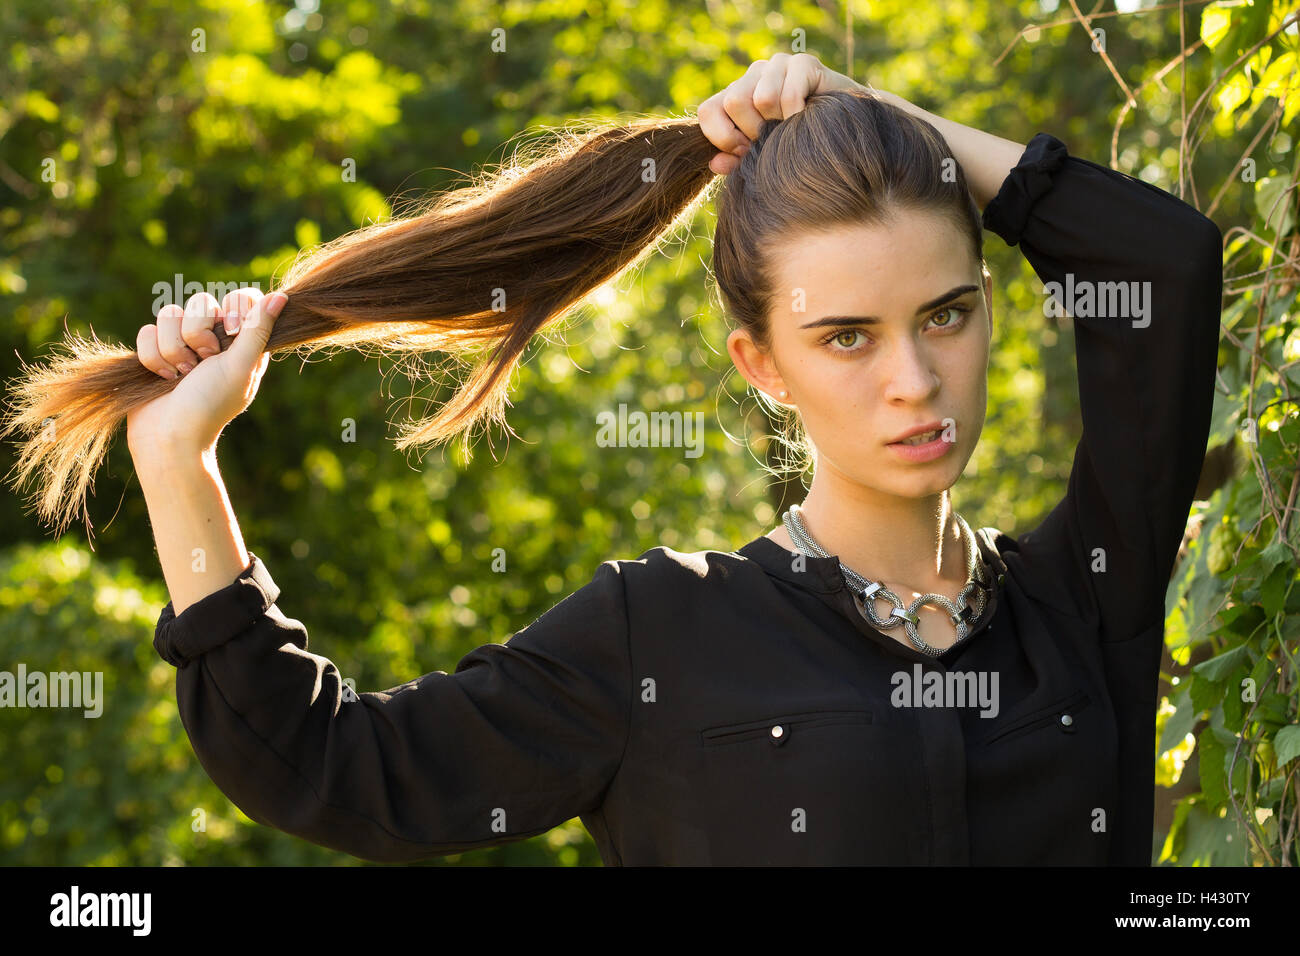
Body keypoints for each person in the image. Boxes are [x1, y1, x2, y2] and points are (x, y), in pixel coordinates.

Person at [125, 54, 1222, 865]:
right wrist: (180, 463)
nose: (914, 380)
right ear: (762, 363)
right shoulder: (656, 634)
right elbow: (332, 768)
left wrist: (876, 112)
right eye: (847, 334)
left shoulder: (1083, 600)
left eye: (944, 315)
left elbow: (1164, 263)